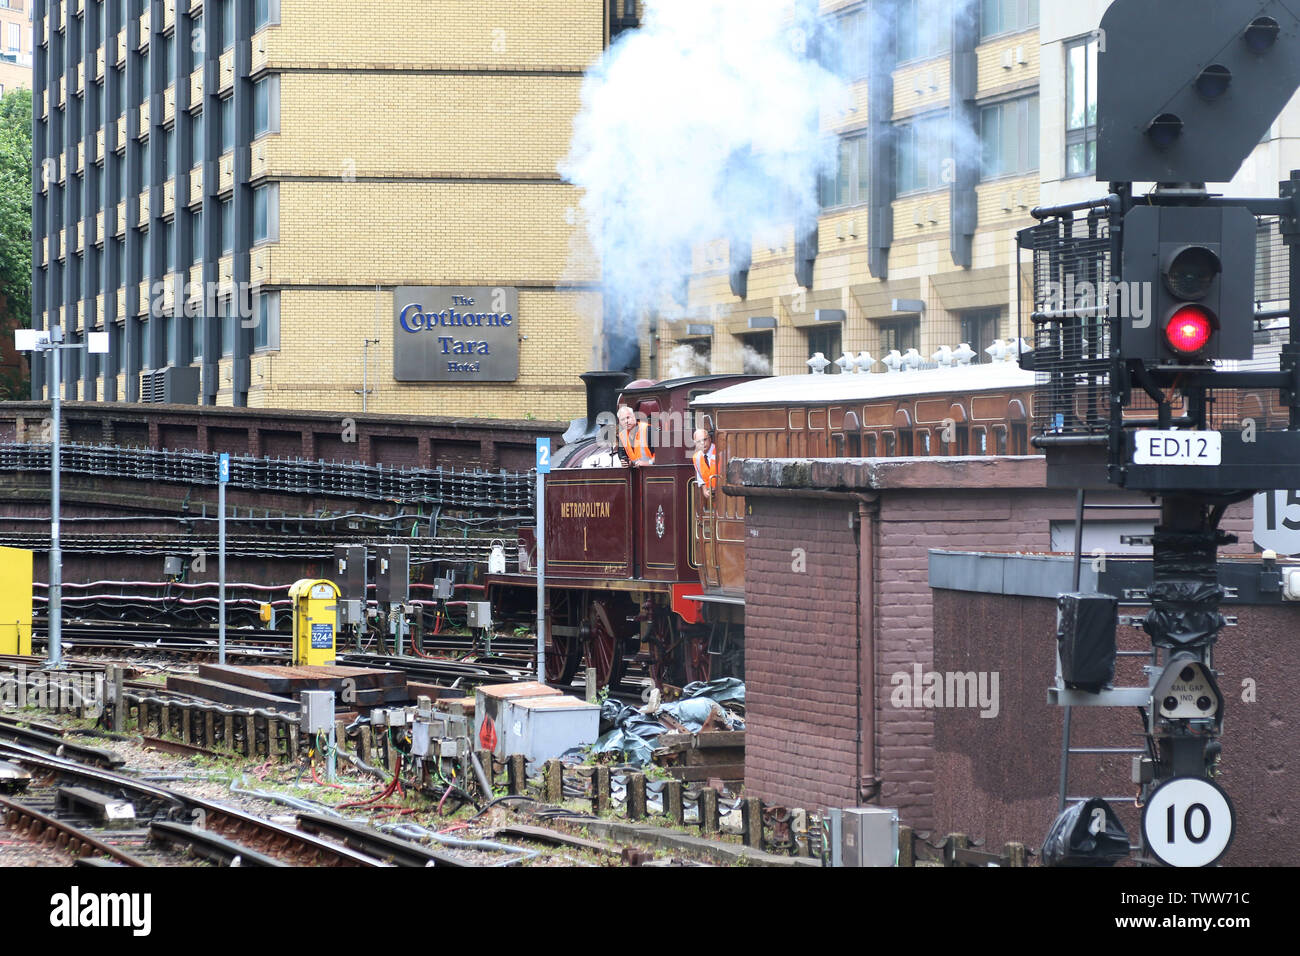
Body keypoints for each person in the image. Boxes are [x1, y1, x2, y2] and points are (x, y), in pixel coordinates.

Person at [692, 427, 718, 501]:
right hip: (711, 497)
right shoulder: (696, 457)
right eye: (699, 441)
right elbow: (700, 477)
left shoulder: (720, 452)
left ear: (709, 439)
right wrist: (704, 490)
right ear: (695, 443)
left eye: (704, 439)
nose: (702, 443)